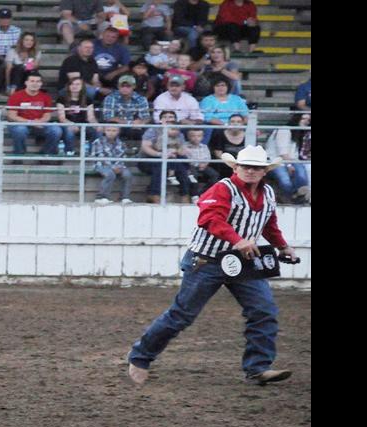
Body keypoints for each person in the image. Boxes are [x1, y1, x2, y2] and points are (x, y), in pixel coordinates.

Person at [127, 145, 296, 386]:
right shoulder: (223, 188)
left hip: (243, 262)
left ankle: (258, 368)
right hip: (207, 261)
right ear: (236, 168)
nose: (250, 170)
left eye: (256, 167)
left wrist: (282, 246)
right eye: (246, 166)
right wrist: (237, 240)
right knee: (181, 315)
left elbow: (269, 223)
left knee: (263, 311)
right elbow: (210, 219)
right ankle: (140, 357)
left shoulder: (267, 193)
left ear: (263, 171)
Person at [138, 109, 192, 202]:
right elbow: (145, 147)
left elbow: (181, 148)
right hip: (149, 159)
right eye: (165, 117)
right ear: (160, 120)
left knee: (181, 164)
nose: (168, 119)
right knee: (160, 165)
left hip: (171, 157)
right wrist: (161, 154)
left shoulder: (179, 133)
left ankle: (185, 194)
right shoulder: (153, 130)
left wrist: (177, 151)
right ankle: (155, 194)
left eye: (171, 117)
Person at [6, 72, 62, 159]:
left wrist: (40, 121)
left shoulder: (46, 97)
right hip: (20, 124)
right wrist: (30, 122)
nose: (35, 84)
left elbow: (47, 115)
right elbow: (12, 116)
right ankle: (19, 155)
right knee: (20, 130)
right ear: (26, 83)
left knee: (56, 130)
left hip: (39, 124)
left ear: (41, 84)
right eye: (32, 81)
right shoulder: (16, 96)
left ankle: (46, 155)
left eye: (38, 81)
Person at [264, 111, 308, 204]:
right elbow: (282, 153)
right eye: (304, 119)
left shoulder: (299, 134)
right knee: (285, 181)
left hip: (292, 160)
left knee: (302, 177)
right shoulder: (284, 129)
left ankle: (297, 196)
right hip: (275, 160)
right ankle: (288, 199)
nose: (306, 122)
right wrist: (289, 165)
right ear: (297, 119)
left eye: (308, 120)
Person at [90, 122, 133, 203]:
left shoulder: (121, 143)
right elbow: (100, 157)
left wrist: (119, 166)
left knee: (127, 174)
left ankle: (124, 197)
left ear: (118, 131)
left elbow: (122, 157)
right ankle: (101, 197)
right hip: (100, 165)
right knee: (110, 174)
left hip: (117, 165)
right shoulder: (98, 141)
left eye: (114, 130)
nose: (111, 132)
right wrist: (113, 167)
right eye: (108, 130)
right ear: (104, 131)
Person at [101, 74, 150, 142]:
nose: (125, 88)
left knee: (147, 130)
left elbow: (146, 117)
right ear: (118, 86)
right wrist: (130, 123)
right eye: (122, 86)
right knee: (111, 130)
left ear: (134, 86)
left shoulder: (141, 99)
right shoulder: (110, 98)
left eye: (128, 86)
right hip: (116, 126)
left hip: (135, 127)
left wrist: (141, 123)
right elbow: (109, 118)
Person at [55, 75, 96, 154]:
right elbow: (62, 118)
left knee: (97, 131)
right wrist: (72, 124)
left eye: (77, 84)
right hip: (67, 124)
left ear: (82, 86)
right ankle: (69, 152)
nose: (74, 86)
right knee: (69, 131)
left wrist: (96, 125)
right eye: (72, 84)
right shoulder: (61, 99)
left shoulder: (88, 99)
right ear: (69, 86)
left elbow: (91, 117)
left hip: (84, 124)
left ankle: (93, 152)